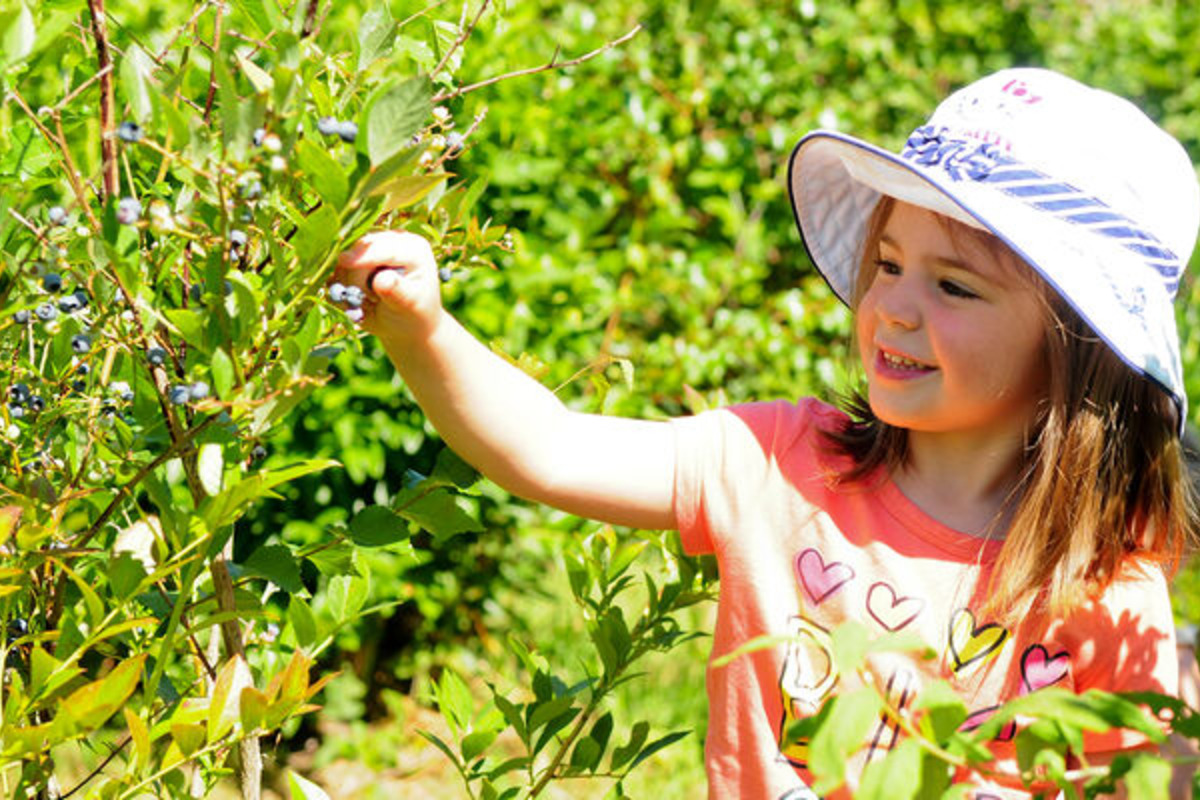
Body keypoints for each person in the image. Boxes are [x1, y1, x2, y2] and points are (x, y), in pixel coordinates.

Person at [336, 68, 1200, 799]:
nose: (892, 306)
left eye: (956, 288)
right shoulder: (778, 464)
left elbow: (1138, 782)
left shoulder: (1104, 592)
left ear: (1076, 351)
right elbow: (548, 448)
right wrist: (423, 331)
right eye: (889, 264)